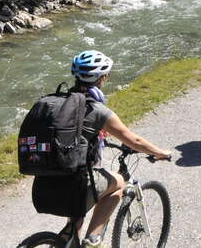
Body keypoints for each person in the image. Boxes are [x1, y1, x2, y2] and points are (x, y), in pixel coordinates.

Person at [34, 50, 173, 247]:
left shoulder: (58, 102)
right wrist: (160, 153)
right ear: (103, 77)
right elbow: (135, 140)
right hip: (76, 185)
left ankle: (67, 240)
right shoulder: (97, 110)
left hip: (46, 184)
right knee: (119, 184)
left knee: (75, 222)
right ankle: (93, 240)